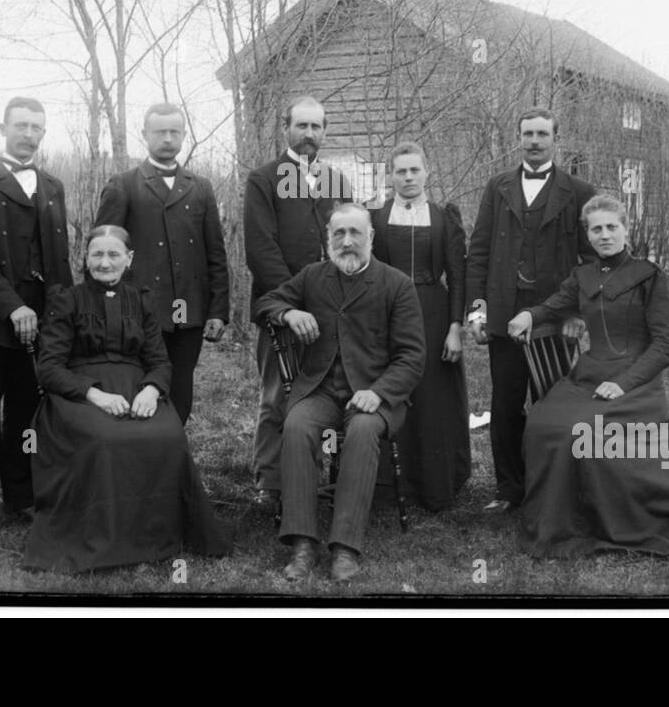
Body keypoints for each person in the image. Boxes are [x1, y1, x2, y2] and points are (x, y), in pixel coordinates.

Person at [507, 195, 669, 558]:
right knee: (544, 422)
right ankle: (560, 518)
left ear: (626, 229)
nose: (605, 235)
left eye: (612, 227)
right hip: (590, 375)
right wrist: (530, 315)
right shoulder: (584, 276)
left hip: (637, 383)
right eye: (597, 229)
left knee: (583, 430)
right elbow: (553, 306)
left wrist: (624, 383)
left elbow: (667, 346)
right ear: (588, 235)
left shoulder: (650, 276)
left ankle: (602, 518)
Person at [23, 225, 231, 573]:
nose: (105, 263)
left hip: (136, 388)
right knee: (105, 439)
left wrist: (151, 389)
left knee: (168, 434)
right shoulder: (66, 299)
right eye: (97, 254)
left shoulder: (143, 299)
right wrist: (95, 395)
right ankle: (105, 539)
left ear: (129, 258)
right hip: (77, 393)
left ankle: (156, 534)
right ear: (85, 257)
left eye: (113, 254)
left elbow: (161, 361)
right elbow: (48, 369)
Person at [255, 203, 425, 583]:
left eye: (355, 233)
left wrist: (379, 393)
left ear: (371, 237)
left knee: (363, 431)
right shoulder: (313, 277)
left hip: (375, 396)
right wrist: (288, 314)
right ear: (328, 238)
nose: (347, 242)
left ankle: (345, 548)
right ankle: (301, 544)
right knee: (296, 424)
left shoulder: (397, 284)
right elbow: (264, 304)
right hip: (319, 388)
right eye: (339, 234)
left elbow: (412, 357)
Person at [466, 107, 596, 513]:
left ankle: (553, 489)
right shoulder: (498, 186)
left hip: (555, 318)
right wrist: (477, 311)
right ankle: (509, 489)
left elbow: (591, 264)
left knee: (552, 402)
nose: (534, 141)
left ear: (557, 138)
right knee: (505, 404)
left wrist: (578, 313)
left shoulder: (579, 192)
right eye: (528, 134)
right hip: (504, 313)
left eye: (542, 134)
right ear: (518, 138)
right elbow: (479, 253)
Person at [0, 96, 72, 539]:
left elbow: (58, 261)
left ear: (43, 133)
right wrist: (12, 306)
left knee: (26, 416)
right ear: (2, 128)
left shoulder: (54, 187)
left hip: (39, 326)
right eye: (20, 125)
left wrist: (59, 317)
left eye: (36, 128)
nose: (28, 134)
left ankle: (20, 495)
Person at [243, 96, 353, 508]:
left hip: (330, 310)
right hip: (281, 309)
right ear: (285, 128)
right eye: (301, 126)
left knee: (325, 392)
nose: (309, 135)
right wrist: (292, 306)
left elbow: (348, 243)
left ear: (325, 132)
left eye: (317, 128)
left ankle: (320, 476)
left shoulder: (335, 181)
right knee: (278, 394)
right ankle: (270, 483)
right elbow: (261, 248)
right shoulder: (264, 179)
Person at [94, 103, 229, 424]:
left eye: (175, 132)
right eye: (160, 132)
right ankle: (138, 464)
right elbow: (102, 255)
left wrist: (217, 311)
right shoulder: (123, 184)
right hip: (137, 313)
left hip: (189, 314)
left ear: (183, 135)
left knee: (180, 391)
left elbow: (215, 254)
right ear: (145, 135)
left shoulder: (201, 187)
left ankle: (172, 459)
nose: (168, 139)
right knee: (137, 391)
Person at [369, 142, 471, 511]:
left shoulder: (444, 218)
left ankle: (436, 486)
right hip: (387, 313)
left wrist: (456, 327)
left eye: (415, 170)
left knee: (432, 397)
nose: (408, 178)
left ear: (427, 172)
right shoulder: (376, 220)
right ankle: (389, 486)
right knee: (392, 389)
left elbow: (459, 277)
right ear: (390, 176)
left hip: (434, 313)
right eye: (401, 171)